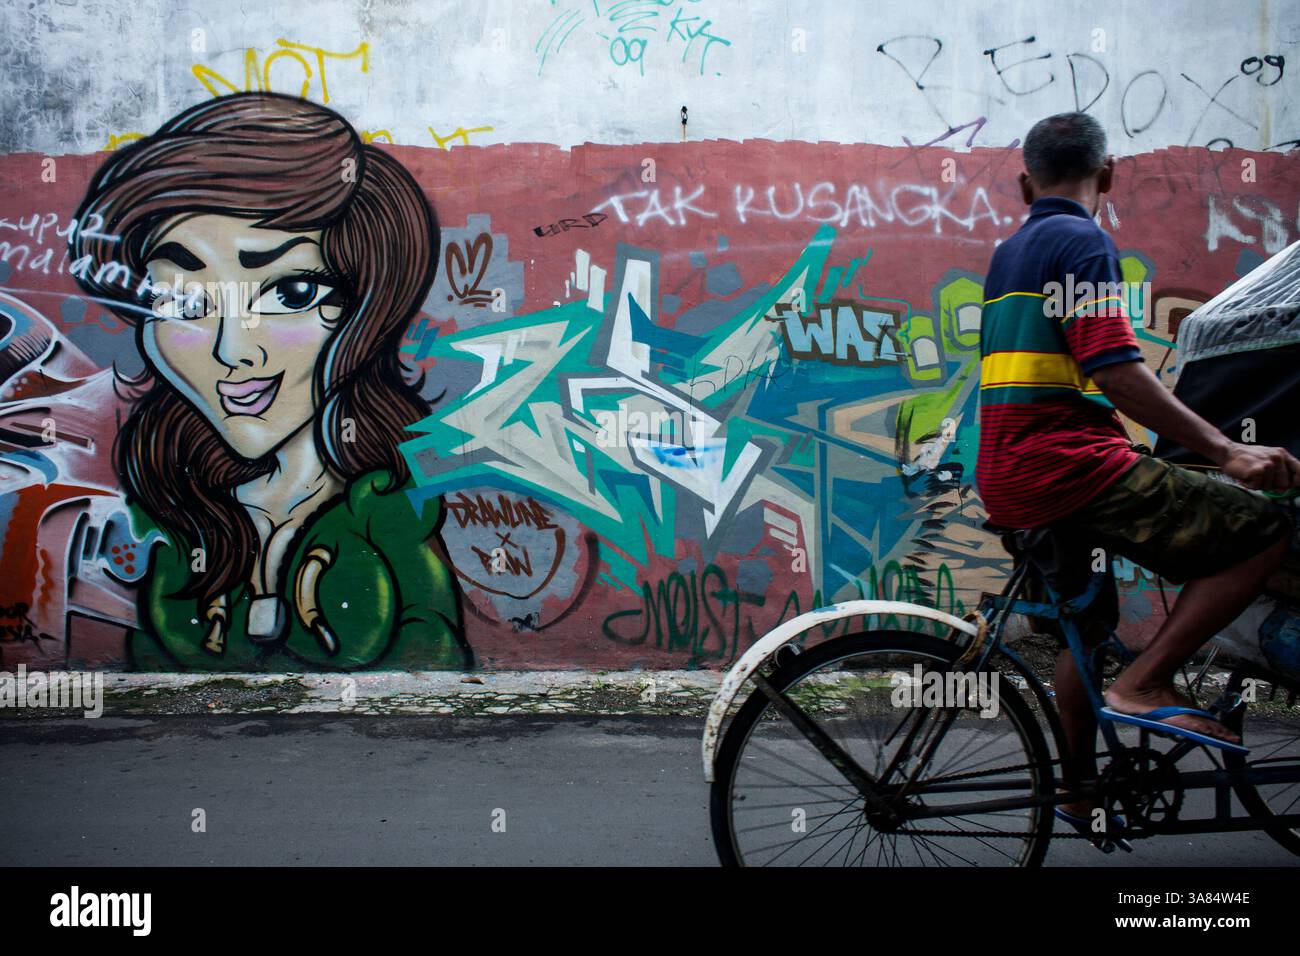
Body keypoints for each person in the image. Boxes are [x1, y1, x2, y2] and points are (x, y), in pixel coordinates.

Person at [976, 111, 1299, 835]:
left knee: (1080, 637)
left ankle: (1080, 793)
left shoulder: (1010, 250)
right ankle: (1146, 682)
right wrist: (1226, 450)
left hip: (1009, 473)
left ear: (1026, 182)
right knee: (1261, 532)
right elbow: (1115, 370)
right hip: (1069, 468)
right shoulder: (1083, 241)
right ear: (1110, 174)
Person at [69, 93, 469, 671]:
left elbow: (434, 665)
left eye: (292, 293)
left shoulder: (384, 509)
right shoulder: (174, 508)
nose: (234, 350)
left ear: (366, 306)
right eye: (182, 301)